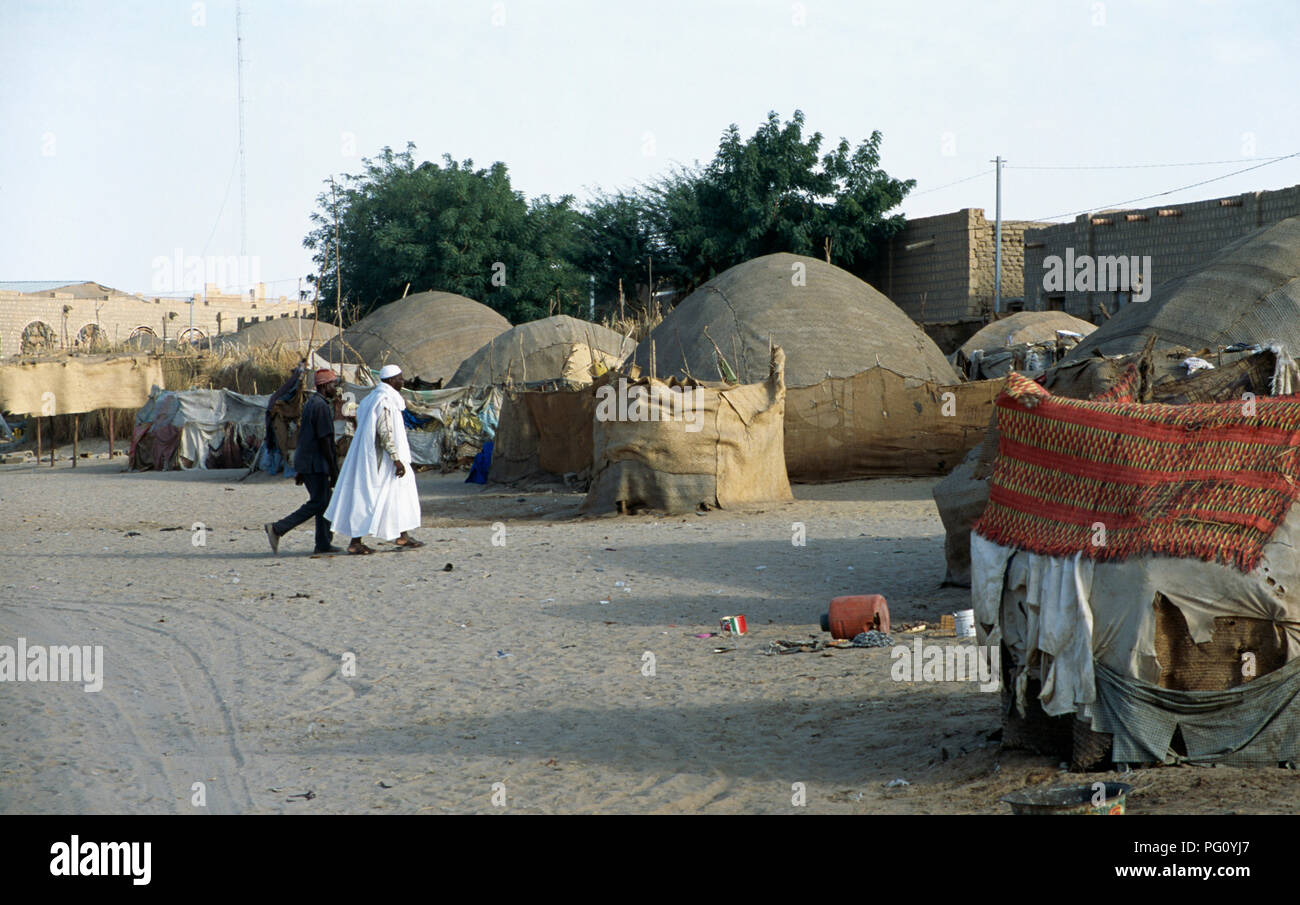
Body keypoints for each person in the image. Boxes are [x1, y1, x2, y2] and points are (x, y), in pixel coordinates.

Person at [325, 363, 424, 554]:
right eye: (399, 378)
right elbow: (385, 431)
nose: (402, 381)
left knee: (397, 495)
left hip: (377, 458)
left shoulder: (373, 398)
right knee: (369, 497)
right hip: (381, 461)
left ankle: (403, 535)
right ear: (390, 380)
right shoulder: (384, 400)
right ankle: (355, 542)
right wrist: (395, 458)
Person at [265, 369, 340, 554]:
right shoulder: (320, 406)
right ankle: (278, 528)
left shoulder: (312, 404)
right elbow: (324, 440)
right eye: (333, 385)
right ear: (324, 386)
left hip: (309, 462)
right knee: (319, 503)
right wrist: (333, 469)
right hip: (316, 463)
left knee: (325, 502)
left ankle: (323, 544)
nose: (336, 389)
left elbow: (306, 436)